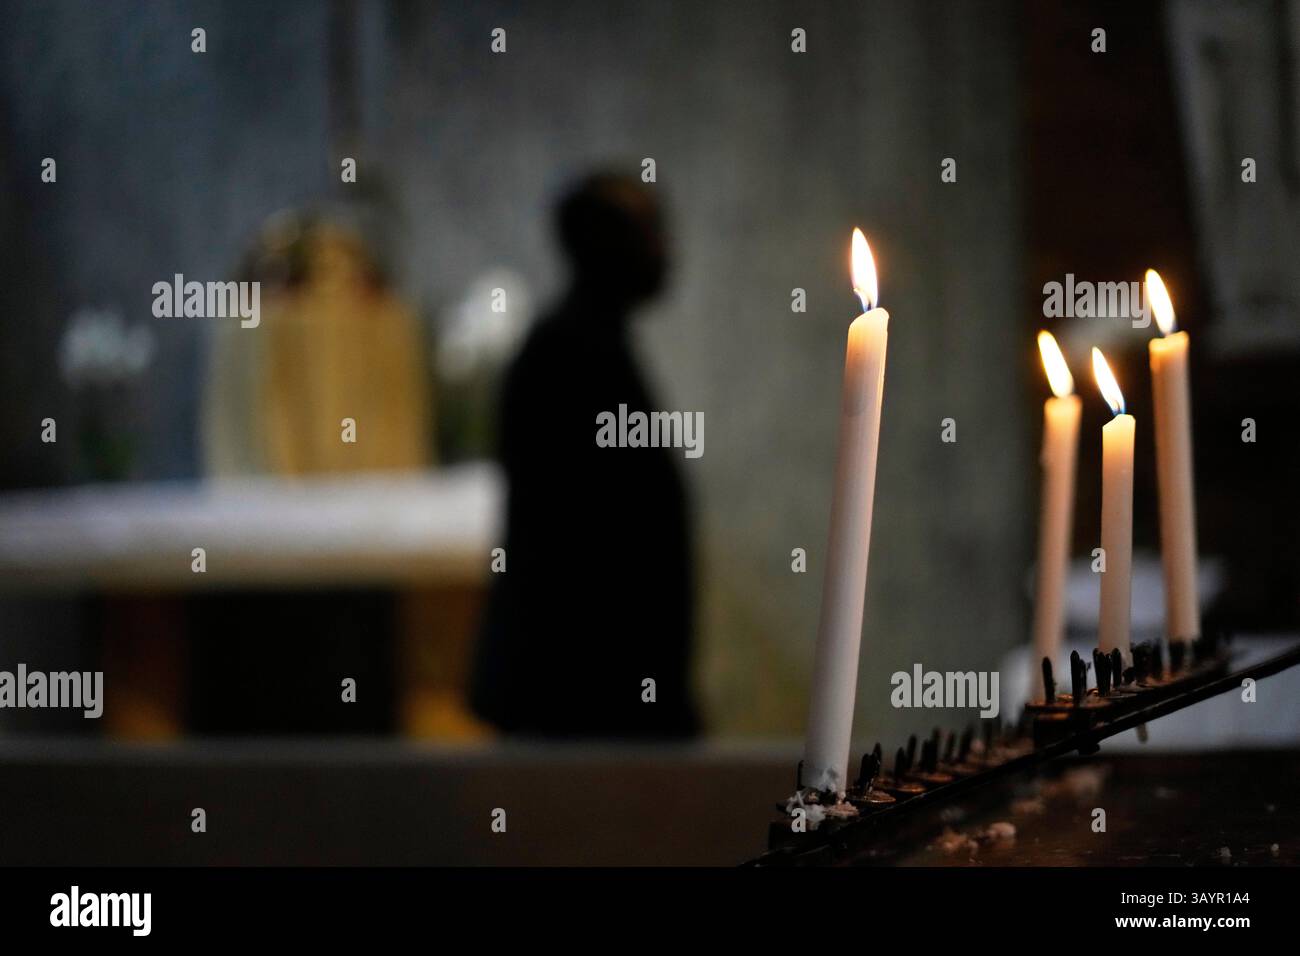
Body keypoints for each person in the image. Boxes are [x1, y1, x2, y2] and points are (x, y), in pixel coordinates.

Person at [471, 172, 699, 738]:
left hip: (602, 696)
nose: (665, 251)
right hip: (582, 702)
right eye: (649, 232)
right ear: (603, 245)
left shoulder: (593, 343)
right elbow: (577, 551)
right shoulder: (565, 355)